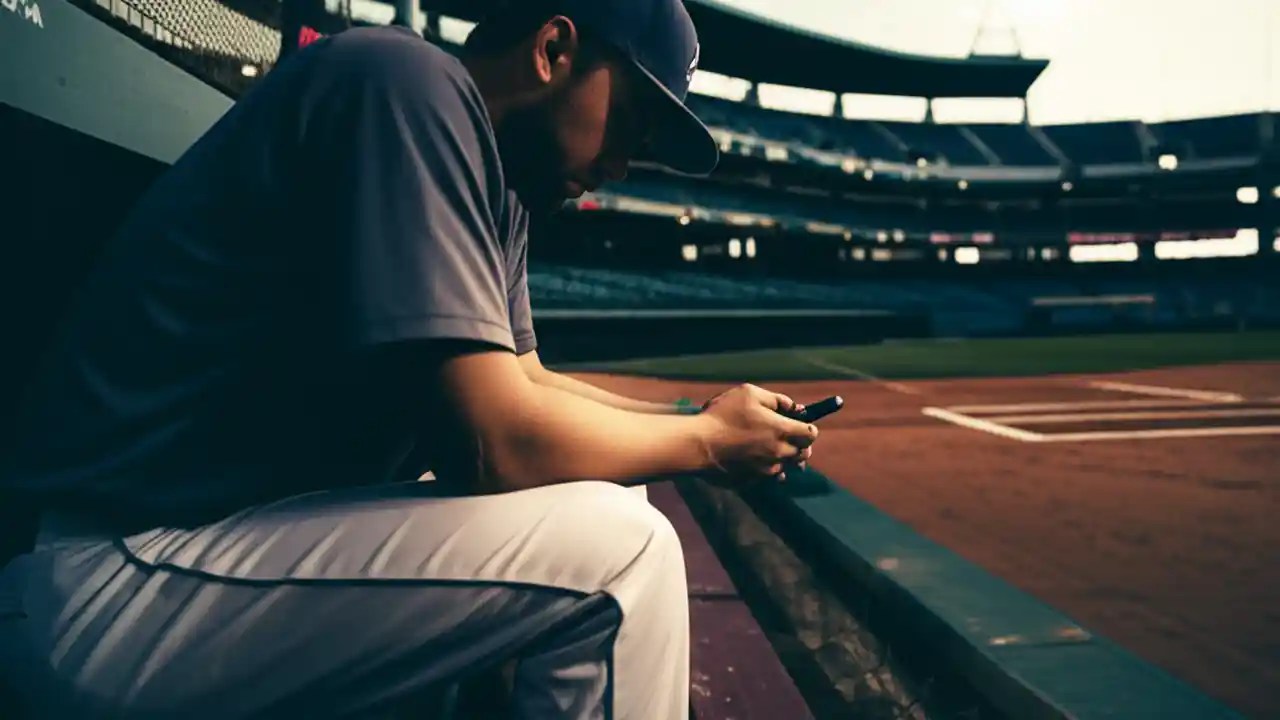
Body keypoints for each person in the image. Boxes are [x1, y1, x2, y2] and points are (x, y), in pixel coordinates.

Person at [0, 0, 821, 717]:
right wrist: (709, 444)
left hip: (205, 553)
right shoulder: (403, 82)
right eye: (633, 120)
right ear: (553, 51)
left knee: (587, 491)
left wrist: (693, 418)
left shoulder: (501, 178)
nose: (625, 161)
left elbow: (528, 382)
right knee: (624, 556)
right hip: (108, 576)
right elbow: (498, 440)